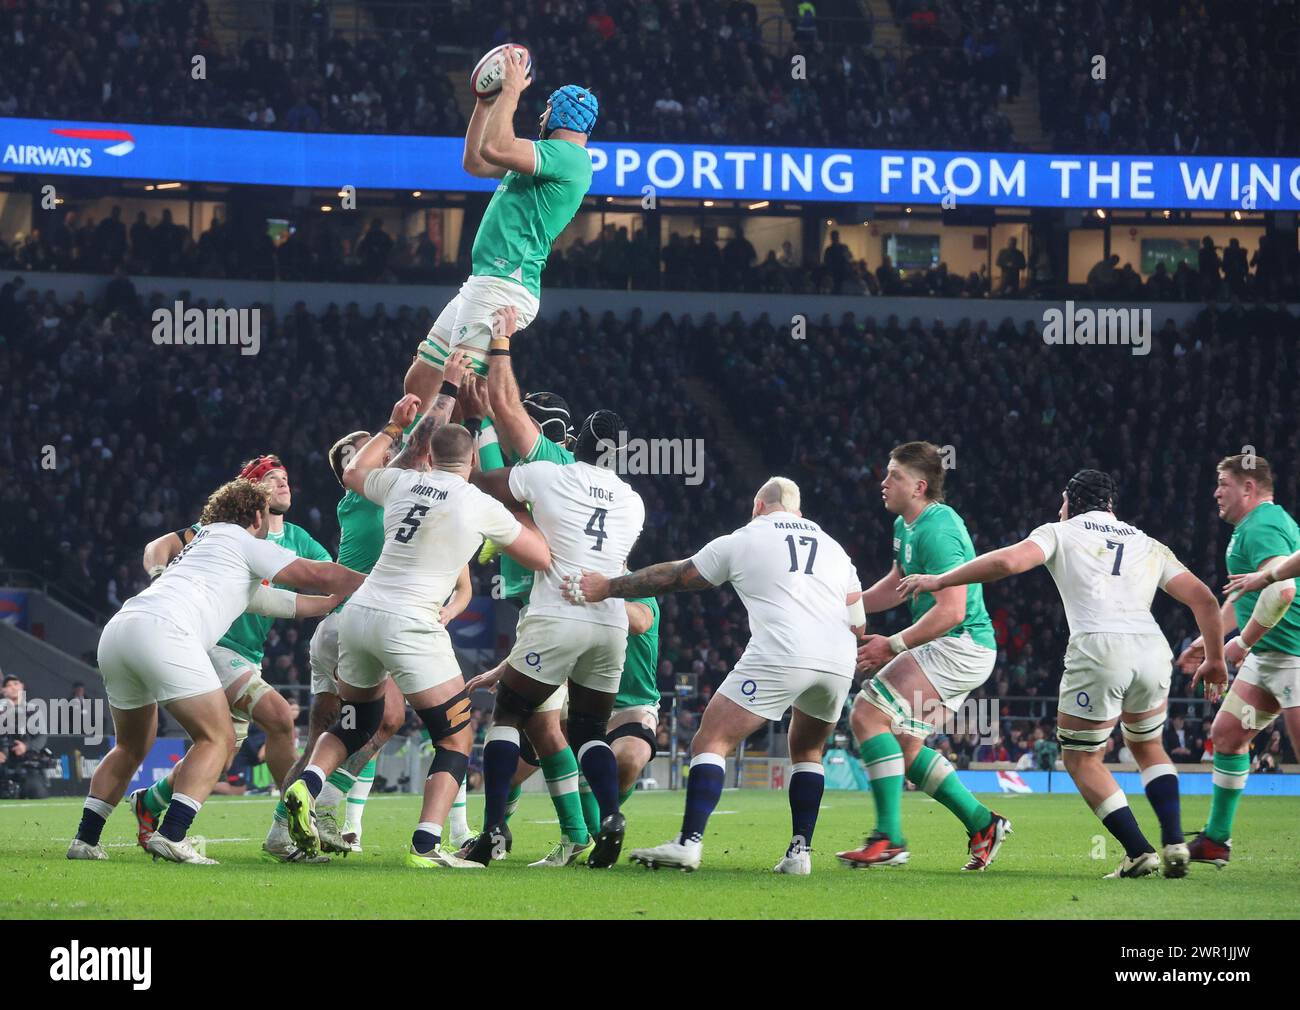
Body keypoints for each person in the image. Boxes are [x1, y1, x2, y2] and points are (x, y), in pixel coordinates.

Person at [282, 368, 552, 867]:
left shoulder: (402, 483)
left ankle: (306, 787)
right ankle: (427, 844)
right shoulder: (478, 502)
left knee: (356, 721)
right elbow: (540, 556)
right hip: (410, 622)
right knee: (455, 734)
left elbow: (354, 474)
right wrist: (520, 509)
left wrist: (390, 426)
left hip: (359, 616)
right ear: (470, 459)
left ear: (431, 455)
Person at [898, 470, 1227, 879]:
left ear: (1071, 500)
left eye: (1062, 501)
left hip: (1099, 649)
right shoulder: (1147, 543)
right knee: (1148, 746)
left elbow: (1006, 562)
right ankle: (1175, 839)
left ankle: (1139, 850)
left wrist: (941, 579)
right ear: (1111, 505)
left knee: (1082, 757)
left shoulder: (1060, 531)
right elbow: (1205, 600)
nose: (1059, 509)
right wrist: (1215, 659)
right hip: (1152, 649)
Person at [568, 477, 862, 873]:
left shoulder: (746, 537)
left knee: (712, 739)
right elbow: (857, 620)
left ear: (758, 505)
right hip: (839, 658)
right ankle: (799, 853)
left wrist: (609, 586)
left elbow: (674, 576)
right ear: (799, 512)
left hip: (784, 649)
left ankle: (688, 843)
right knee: (808, 751)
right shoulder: (836, 549)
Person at [69, 479, 362, 864]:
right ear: (257, 516)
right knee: (218, 737)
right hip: (165, 632)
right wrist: (381, 586)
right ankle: (172, 833)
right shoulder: (248, 543)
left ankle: (86, 840)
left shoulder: (205, 545)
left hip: (121, 629)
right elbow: (317, 574)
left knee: (130, 745)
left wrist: (333, 601)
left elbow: (287, 602)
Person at [462, 408, 646, 868]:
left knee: (509, 712)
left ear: (576, 442)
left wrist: (477, 427)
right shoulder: (632, 500)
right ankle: (611, 816)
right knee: (589, 730)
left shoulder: (548, 475)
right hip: (609, 624)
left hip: (557, 613)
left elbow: (489, 485)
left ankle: (492, 830)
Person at [135, 453, 336, 863]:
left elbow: (330, 575)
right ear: (252, 492)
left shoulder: (298, 539)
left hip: (249, 656)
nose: (284, 485)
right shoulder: (227, 530)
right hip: (211, 645)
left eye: (285, 479)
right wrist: (160, 575)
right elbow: (159, 545)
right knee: (281, 718)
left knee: (220, 751)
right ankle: (284, 827)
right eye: (272, 480)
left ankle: (151, 801)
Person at [837, 442, 1008, 871]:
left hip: (959, 643)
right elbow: (896, 583)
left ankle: (890, 839)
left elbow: (951, 611)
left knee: (866, 713)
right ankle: (983, 823)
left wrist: (890, 644)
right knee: (904, 748)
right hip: (954, 646)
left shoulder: (939, 529)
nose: (883, 482)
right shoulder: (904, 525)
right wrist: (846, 607)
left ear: (919, 485)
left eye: (893, 475)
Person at [404, 46, 597, 416]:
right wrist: (485, 101)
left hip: (504, 280)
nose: (540, 116)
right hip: (485, 279)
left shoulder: (568, 157)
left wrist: (510, 91)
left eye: (545, 111)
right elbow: (476, 161)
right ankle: (429, 453)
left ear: (555, 113)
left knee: (464, 391)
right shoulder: (542, 158)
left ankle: (477, 464)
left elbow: (495, 145)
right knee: (421, 378)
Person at [1177, 454, 1299, 868]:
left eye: (1223, 484)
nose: (1216, 492)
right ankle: (1215, 840)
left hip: (1294, 655)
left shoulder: (1263, 524)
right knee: (1228, 735)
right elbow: (1247, 595)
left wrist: (1238, 645)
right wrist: (1206, 640)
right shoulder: (1251, 528)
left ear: (1248, 488)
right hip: (1271, 655)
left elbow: (1281, 591)